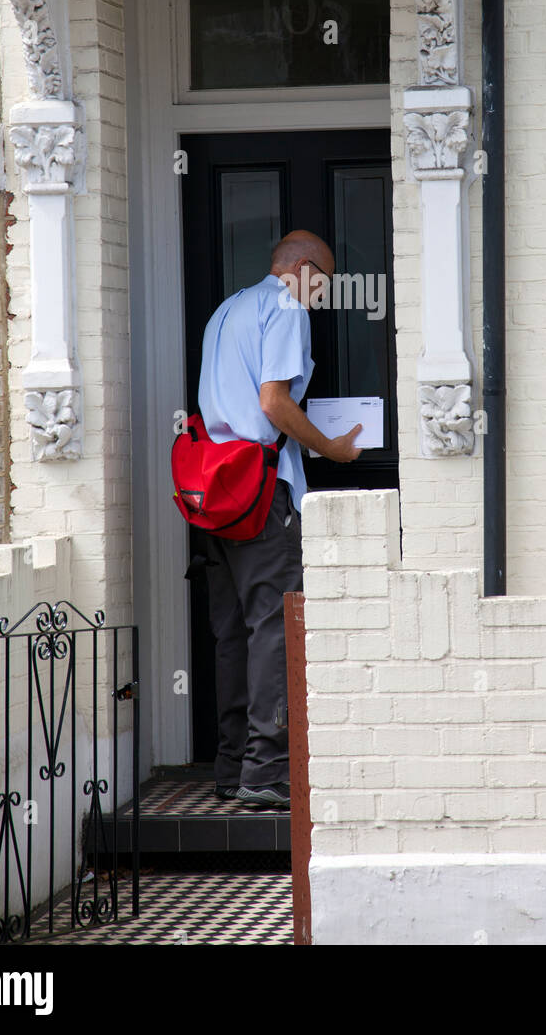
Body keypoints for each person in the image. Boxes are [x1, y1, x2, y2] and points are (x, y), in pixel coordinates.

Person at [197, 229, 363, 809]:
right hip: (262, 491)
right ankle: (264, 773)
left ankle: (229, 765)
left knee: (232, 631)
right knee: (274, 626)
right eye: (325, 282)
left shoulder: (228, 309)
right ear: (306, 270)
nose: (323, 296)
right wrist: (332, 450)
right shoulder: (287, 306)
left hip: (213, 487)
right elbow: (273, 402)